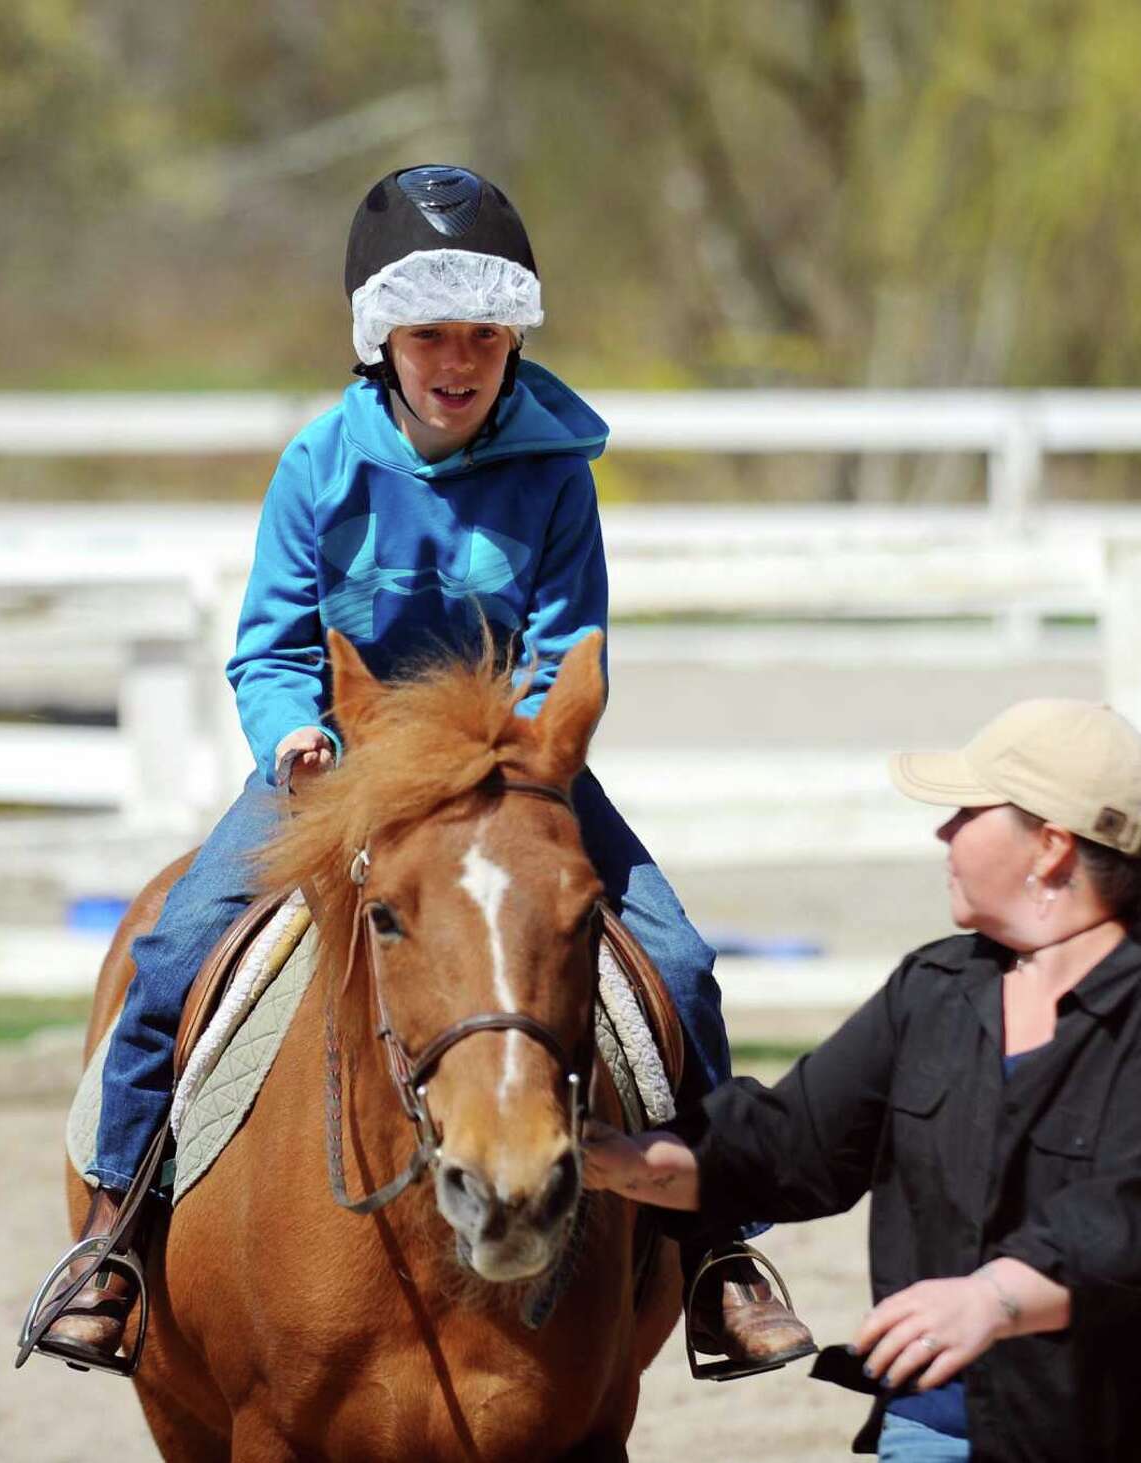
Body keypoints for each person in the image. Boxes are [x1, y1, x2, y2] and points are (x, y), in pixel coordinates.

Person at [39, 164, 813, 1376]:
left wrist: (520, 754)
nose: (459, 361)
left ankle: (718, 1249)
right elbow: (269, 647)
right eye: (431, 337)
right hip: (339, 766)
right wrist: (289, 732)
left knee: (677, 963)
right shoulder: (317, 465)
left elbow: (567, 646)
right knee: (174, 949)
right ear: (380, 342)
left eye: (484, 338)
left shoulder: (556, 469)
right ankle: (116, 1234)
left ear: (513, 344)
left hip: (512, 776)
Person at [583, 699, 1141, 1461]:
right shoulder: (934, 989)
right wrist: (622, 1160)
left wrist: (990, 1298)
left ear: (1050, 847)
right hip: (941, 1427)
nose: (943, 831)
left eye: (967, 813)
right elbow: (788, 1144)